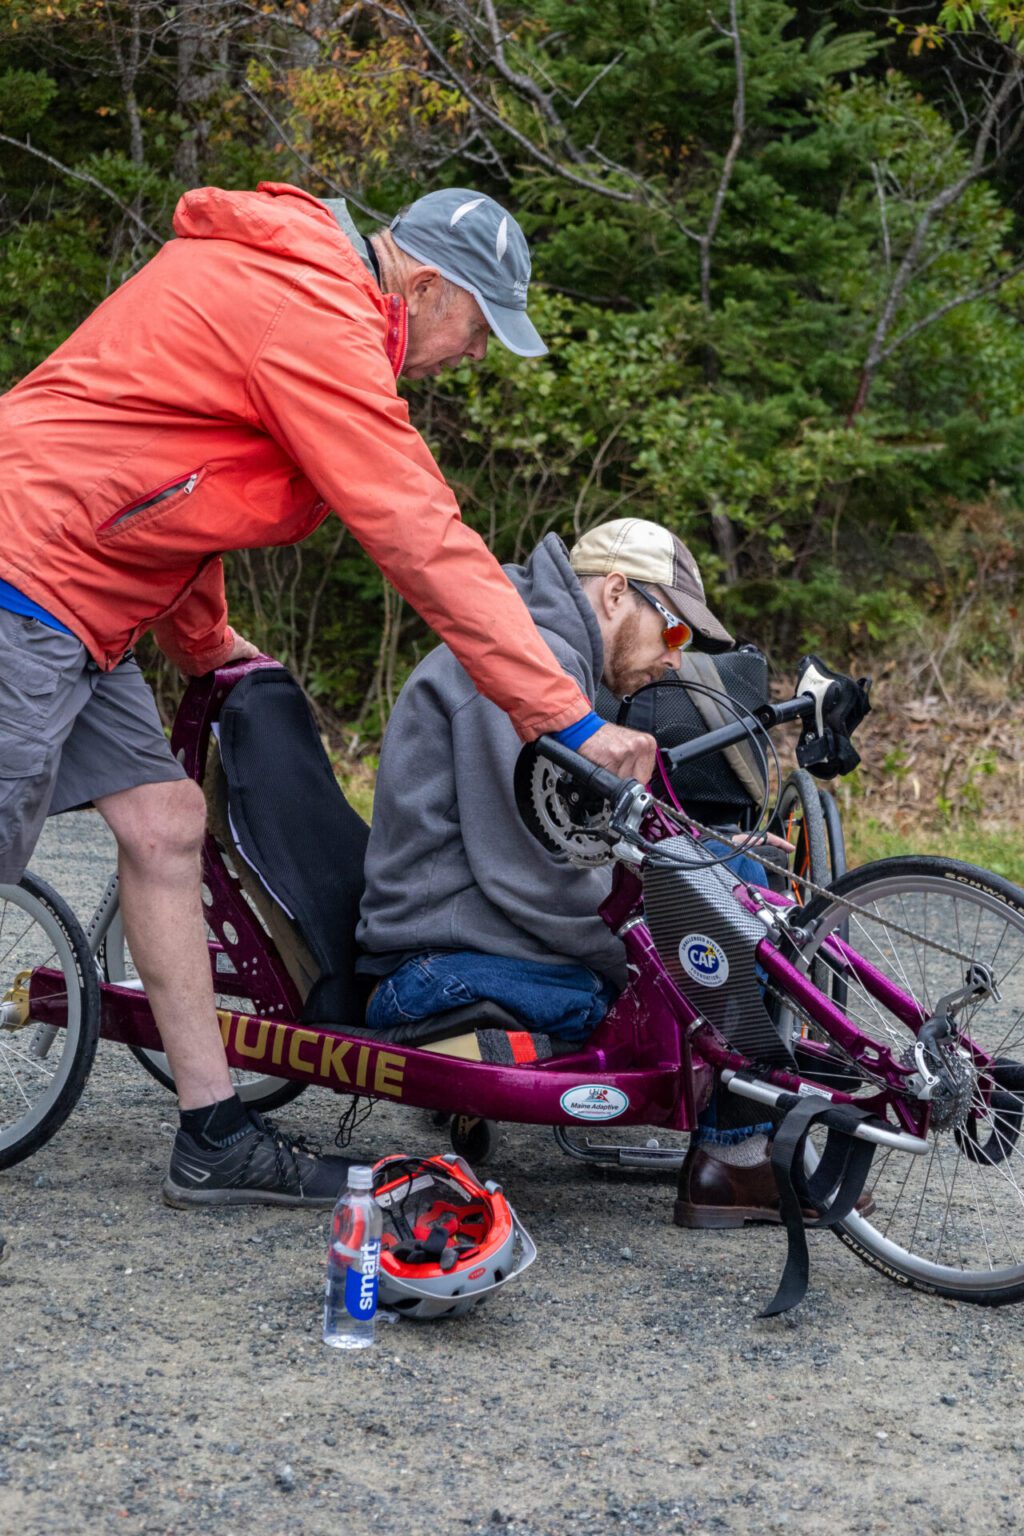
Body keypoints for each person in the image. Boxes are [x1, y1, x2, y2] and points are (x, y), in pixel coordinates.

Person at [0, 182, 654, 1209]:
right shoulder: (310, 308)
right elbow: (417, 532)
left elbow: (171, 481)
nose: (474, 356)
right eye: (479, 329)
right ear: (426, 287)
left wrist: (205, 646)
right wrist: (562, 715)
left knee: (167, 822)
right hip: (25, 574)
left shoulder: (302, 294)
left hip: (86, 594)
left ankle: (213, 1137)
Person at [358, 516, 796, 1224]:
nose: (676, 660)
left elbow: (586, 836)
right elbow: (535, 874)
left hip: (483, 936)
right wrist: (655, 956)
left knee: (726, 897)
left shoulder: (543, 655)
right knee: (674, 991)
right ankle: (736, 1160)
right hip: (436, 962)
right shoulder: (520, 668)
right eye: (673, 630)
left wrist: (705, 850)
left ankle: (740, 1149)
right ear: (616, 593)